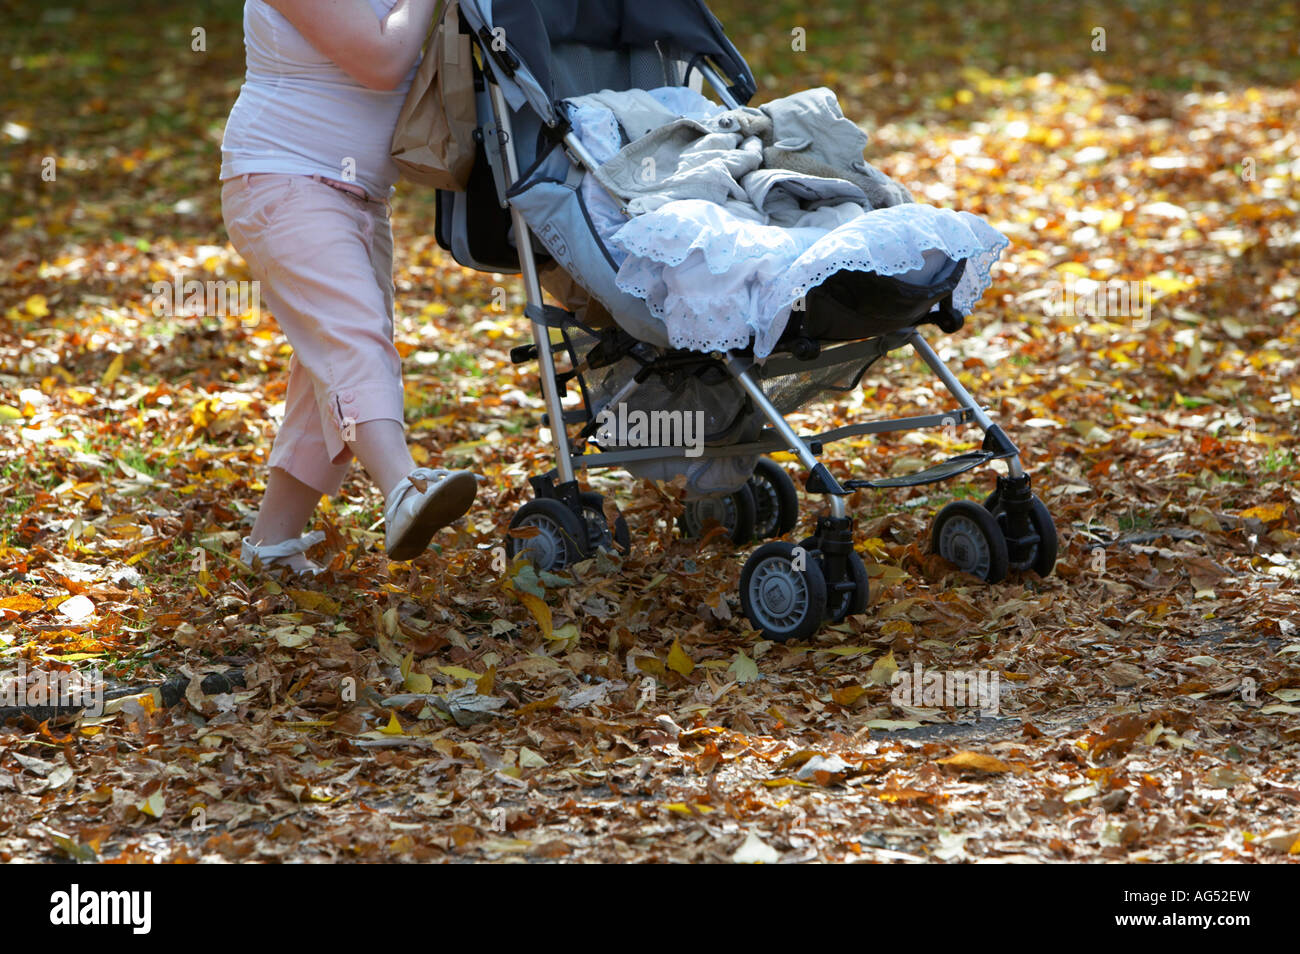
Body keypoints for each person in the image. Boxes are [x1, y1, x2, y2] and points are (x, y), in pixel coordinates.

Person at [220, 0, 475, 574]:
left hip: (360, 196)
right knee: (352, 337)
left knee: (327, 367)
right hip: (283, 178)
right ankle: (404, 486)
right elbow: (382, 60)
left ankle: (272, 546)